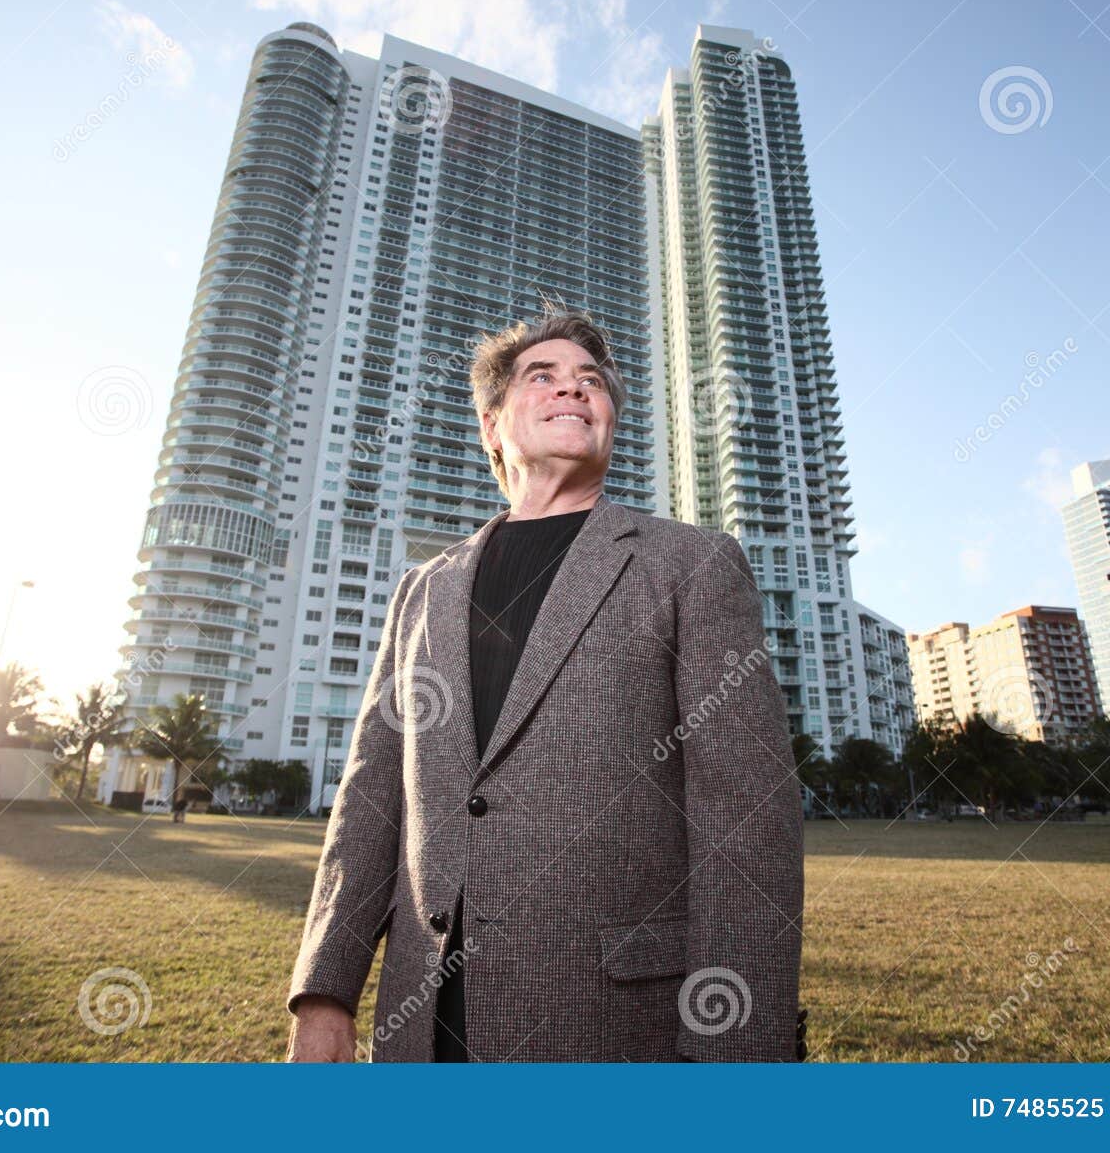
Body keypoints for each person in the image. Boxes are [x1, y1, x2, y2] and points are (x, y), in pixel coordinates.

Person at [285, 307, 805, 1062]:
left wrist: (734, 1049)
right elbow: (371, 799)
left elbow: (747, 820)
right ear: (492, 426)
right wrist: (324, 994)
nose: (574, 388)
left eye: (591, 379)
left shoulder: (692, 564)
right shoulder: (421, 591)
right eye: (544, 375)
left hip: (616, 1028)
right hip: (422, 1032)